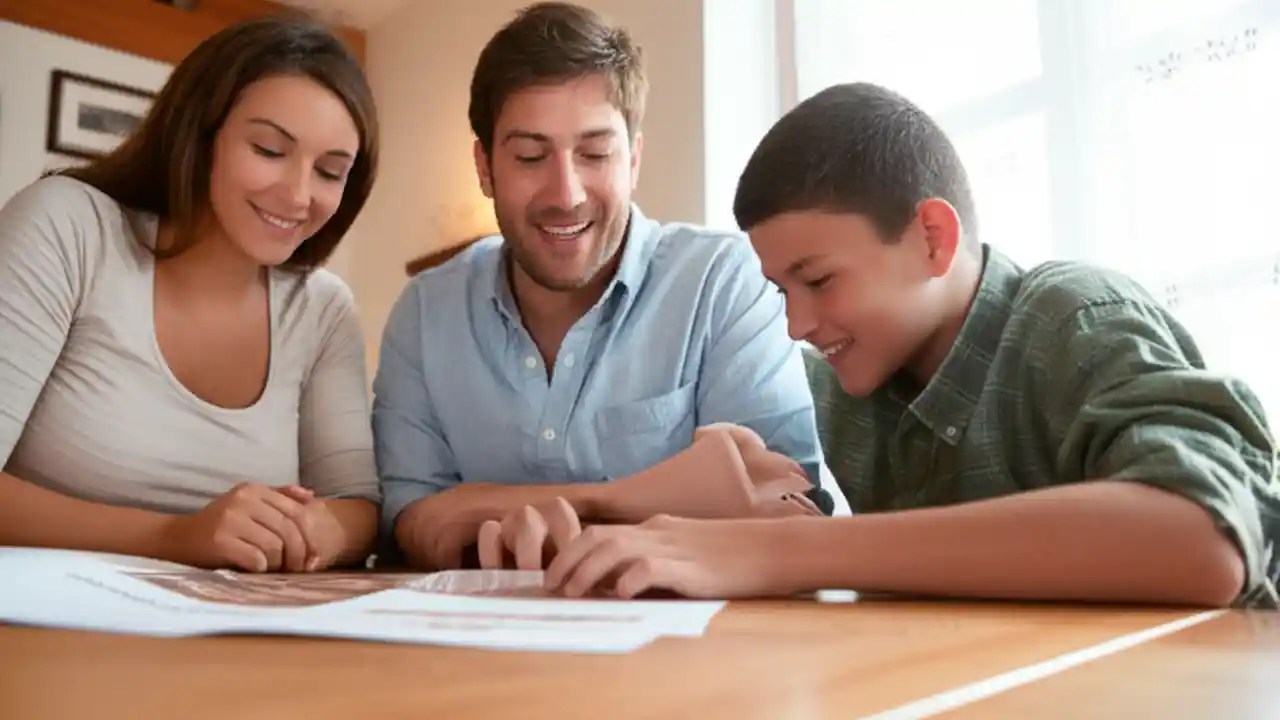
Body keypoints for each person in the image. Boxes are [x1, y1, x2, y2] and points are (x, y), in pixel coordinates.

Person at [533, 82, 1280, 608]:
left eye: (818, 280)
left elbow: (1204, 538)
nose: (796, 324)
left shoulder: (1075, 318)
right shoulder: (838, 383)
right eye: (781, 292)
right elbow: (759, 502)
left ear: (933, 237)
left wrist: (781, 555)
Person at [374, 2, 829, 570]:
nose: (566, 193)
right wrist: (658, 496)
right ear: (485, 168)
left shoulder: (723, 283)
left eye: (595, 153)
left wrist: (505, 508)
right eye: (530, 156)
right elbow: (414, 521)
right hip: (477, 648)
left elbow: (788, 507)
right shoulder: (424, 312)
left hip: (695, 650)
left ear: (633, 160)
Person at [0, 16, 382, 574]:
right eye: (270, 149)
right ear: (201, 134)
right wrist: (176, 536)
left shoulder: (321, 308)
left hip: (227, 638)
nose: (300, 195)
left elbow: (358, 508)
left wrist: (319, 527)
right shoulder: (68, 226)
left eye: (330, 171)